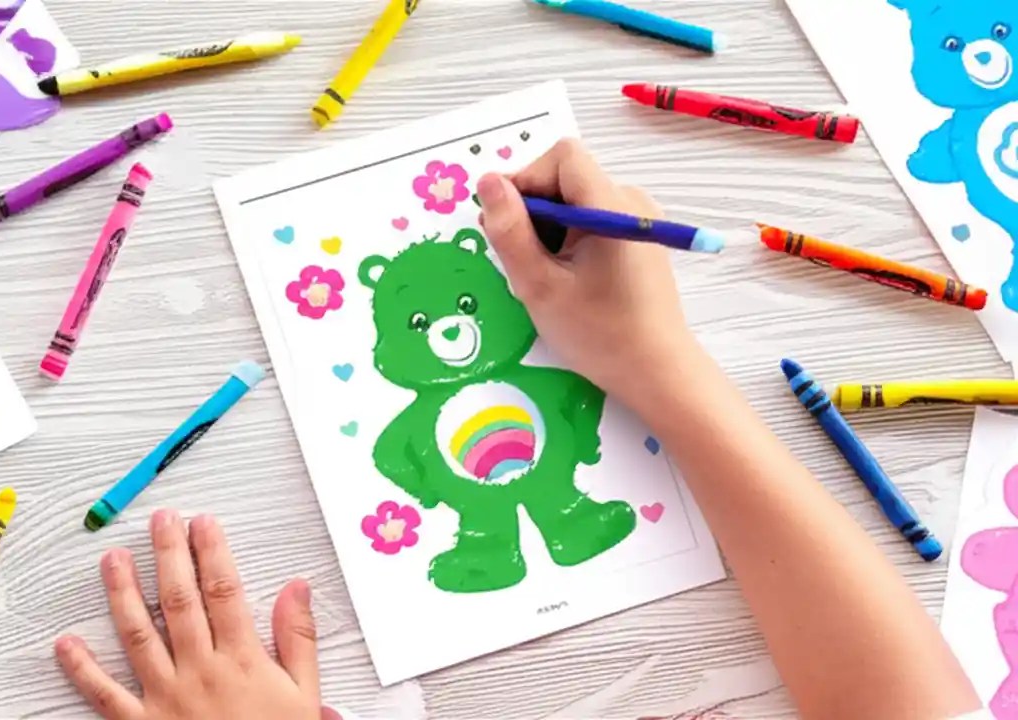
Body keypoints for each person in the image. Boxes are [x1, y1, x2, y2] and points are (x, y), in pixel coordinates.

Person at [53, 140, 982, 720]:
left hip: (542, 462)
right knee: (489, 519)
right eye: (420, 325)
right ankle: (493, 545)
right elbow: (905, 702)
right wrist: (656, 365)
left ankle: (570, 521)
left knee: (555, 494)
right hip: (485, 473)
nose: (452, 330)